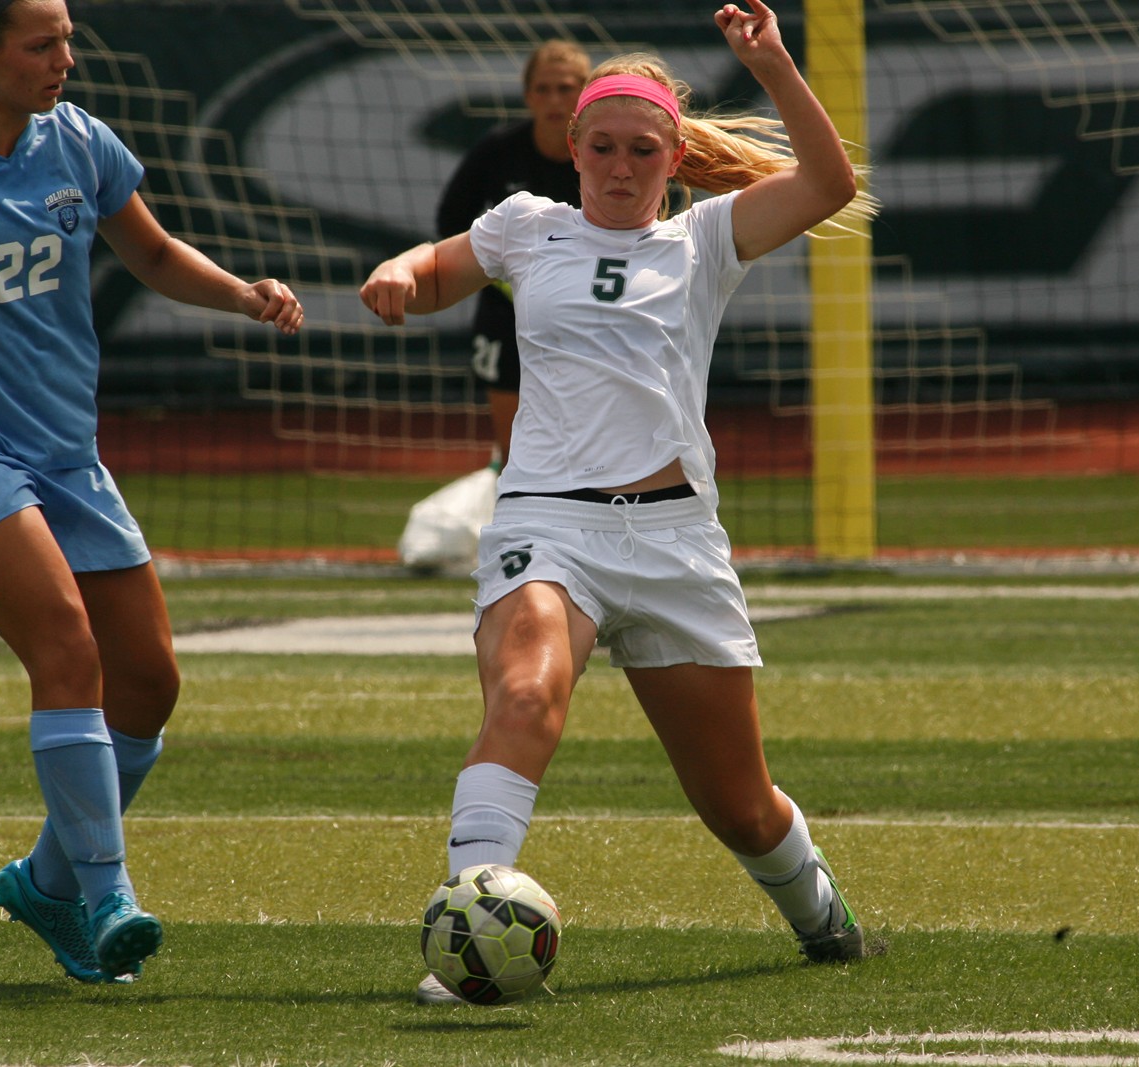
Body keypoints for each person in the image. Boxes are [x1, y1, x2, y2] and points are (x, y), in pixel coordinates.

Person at [360, 0, 879, 1004]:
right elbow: (436, 270)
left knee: (739, 806)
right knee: (521, 697)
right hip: (548, 522)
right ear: (572, 147)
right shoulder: (525, 226)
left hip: (678, 539)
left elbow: (827, 183)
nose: (619, 163)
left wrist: (771, 63)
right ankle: (467, 929)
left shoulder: (705, 239)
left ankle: (824, 916)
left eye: (643, 148)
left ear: (673, 154)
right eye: (600, 145)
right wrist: (399, 272)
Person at [0, 0, 302, 984]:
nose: (65, 60)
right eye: (43, 44)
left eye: (68, 39)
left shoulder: (80, 142)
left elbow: (153, 254)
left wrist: (243, 291)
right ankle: (108, 889)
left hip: (68, 460)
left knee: (151, 683)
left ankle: (46, 882)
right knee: (67, 647)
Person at [434, 39, 589, 468]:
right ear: (528, 96)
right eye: (544, 89)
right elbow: (451, 222)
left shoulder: (603, 153)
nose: (555, 99)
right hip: (506, 315)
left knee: (589, 447)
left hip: (585, 314)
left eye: (566, 87)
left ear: (585, 91)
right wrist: (500, 276)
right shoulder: (498, 151)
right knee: (515, 453)